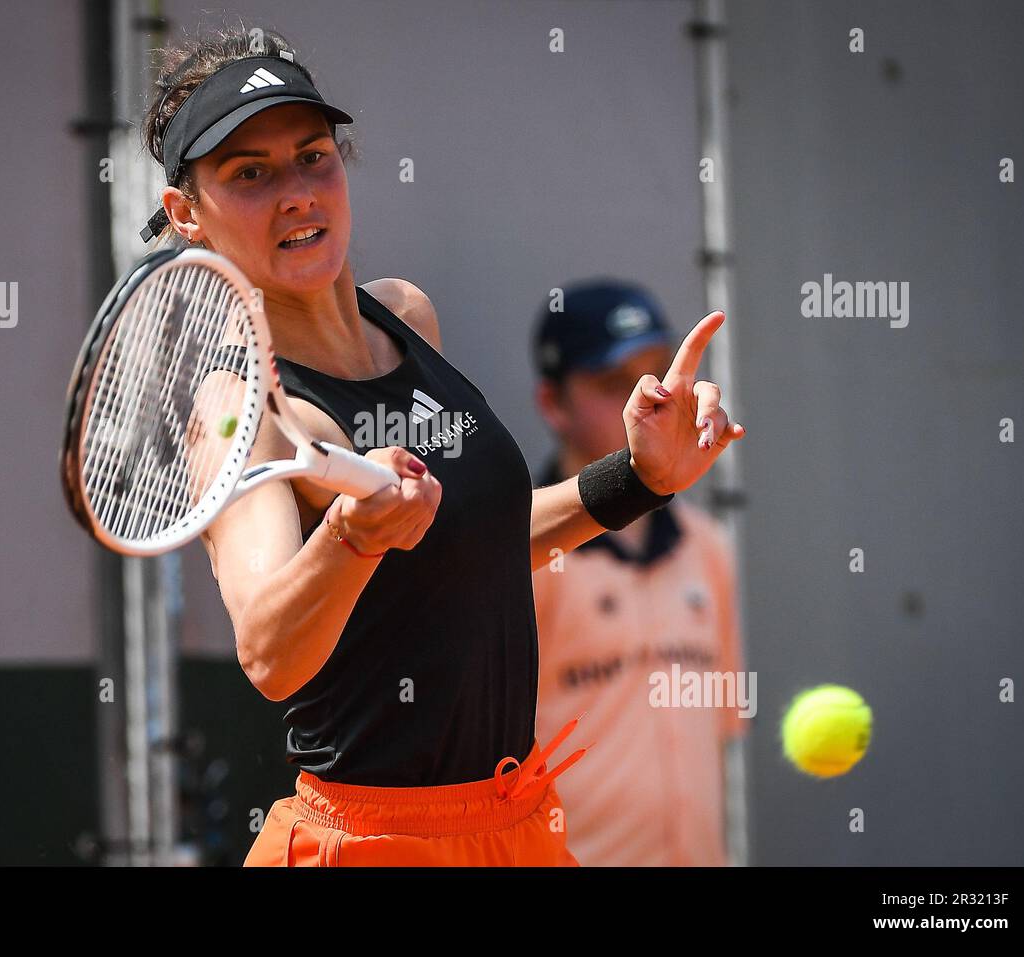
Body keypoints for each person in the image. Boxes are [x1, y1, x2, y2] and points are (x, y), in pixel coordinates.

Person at [137, 25, 746, 867]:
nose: (297, 193)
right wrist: (355, 536)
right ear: (186, 215)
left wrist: (640, 477)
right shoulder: (239, 407)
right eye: (250, 174)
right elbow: (269, 651)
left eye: (313, 156)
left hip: (517, 822)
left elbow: (473, 541)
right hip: (372, 841)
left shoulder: (407, 314)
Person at [531, 280, 748, 866]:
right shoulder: (520, 558)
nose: (643, 401)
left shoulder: (708, 548)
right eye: (612, 383)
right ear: (553, 404)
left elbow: (723, 737)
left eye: (655, 372)